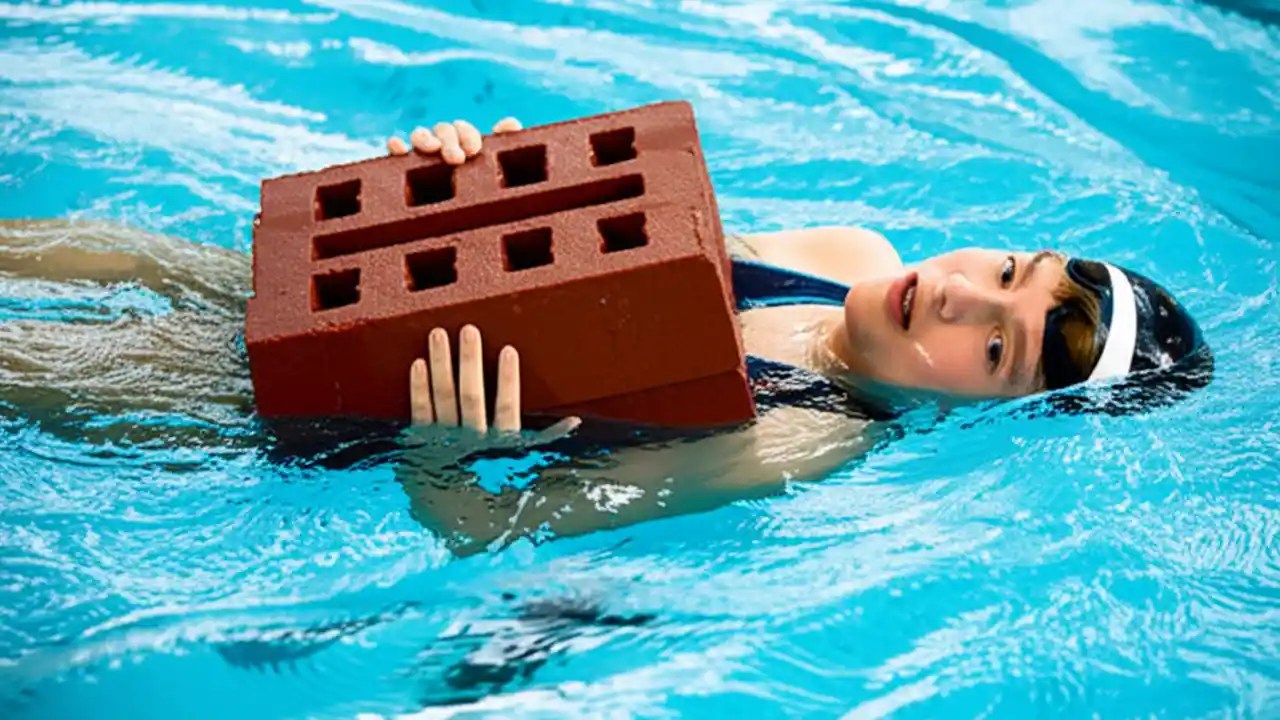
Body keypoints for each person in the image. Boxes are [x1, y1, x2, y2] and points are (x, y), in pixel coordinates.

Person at [0, 115, 1211, 554]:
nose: (958, 297)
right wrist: (471, 186)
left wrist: (439, 452)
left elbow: (493, 529)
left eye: (992, 349)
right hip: (348, 295)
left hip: (335, 418)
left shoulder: (800, 440)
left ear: (984, 414)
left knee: (59, 368)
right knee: (142, 253)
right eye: (1003, 271)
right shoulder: (848, 251)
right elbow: (599, 255)